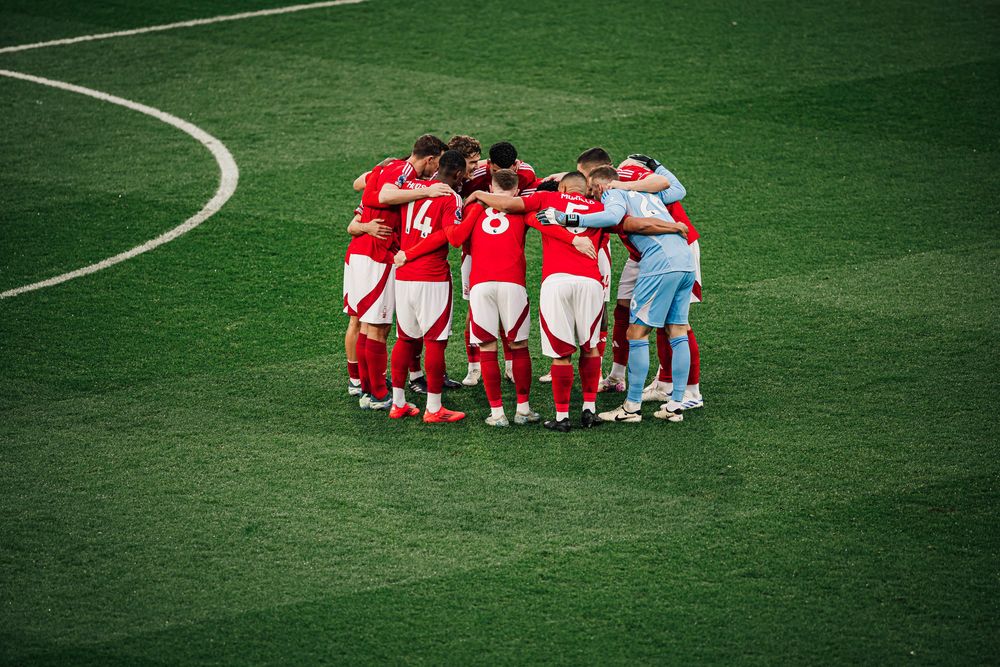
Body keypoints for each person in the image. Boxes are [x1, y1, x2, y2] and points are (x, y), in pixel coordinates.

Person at [549, 166, 694, 422]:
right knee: (677, 329)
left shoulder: (613, 194)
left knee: (636, 332)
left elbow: (616, 218)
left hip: (660, 264)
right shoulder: (650, 194)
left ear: (603, 185)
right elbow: (677, 188)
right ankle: (676, 404)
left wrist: (570, 218)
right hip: (685, 261)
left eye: (593, 189)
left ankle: (632, 407)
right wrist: (655, 164)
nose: (592, 195)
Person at [471, 172, 608, 432]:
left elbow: (513, 207)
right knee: (590, 348)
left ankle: (562, 416)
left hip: (556, 282)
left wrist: (479, 194)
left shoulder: (548, 198)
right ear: (585, 188)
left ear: (563, 187)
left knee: (561, 353)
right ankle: (589, 410)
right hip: (590, 281)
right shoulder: (600, 208)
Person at [344, 134, 450, 410]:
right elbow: (384, 195)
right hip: (376, 254)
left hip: (363, 252)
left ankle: (369, 389)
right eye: (436, 163)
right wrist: (427, 191)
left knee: (369, 326)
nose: (436, 170)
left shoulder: (387, 168)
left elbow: (362, 185)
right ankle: (378, 395)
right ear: (429, 158)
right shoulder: (402, 170)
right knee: (377, 327)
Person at [387, 150, 469, 422]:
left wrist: (405, 253)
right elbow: (448, 236)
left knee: (405, 339)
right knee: (435, 341)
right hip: (431, 277)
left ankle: (398, 403)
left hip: (403, 276)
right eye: (466, 171)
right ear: (457, 174)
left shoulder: (411, 187)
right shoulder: (451, 197)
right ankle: (434, 408)